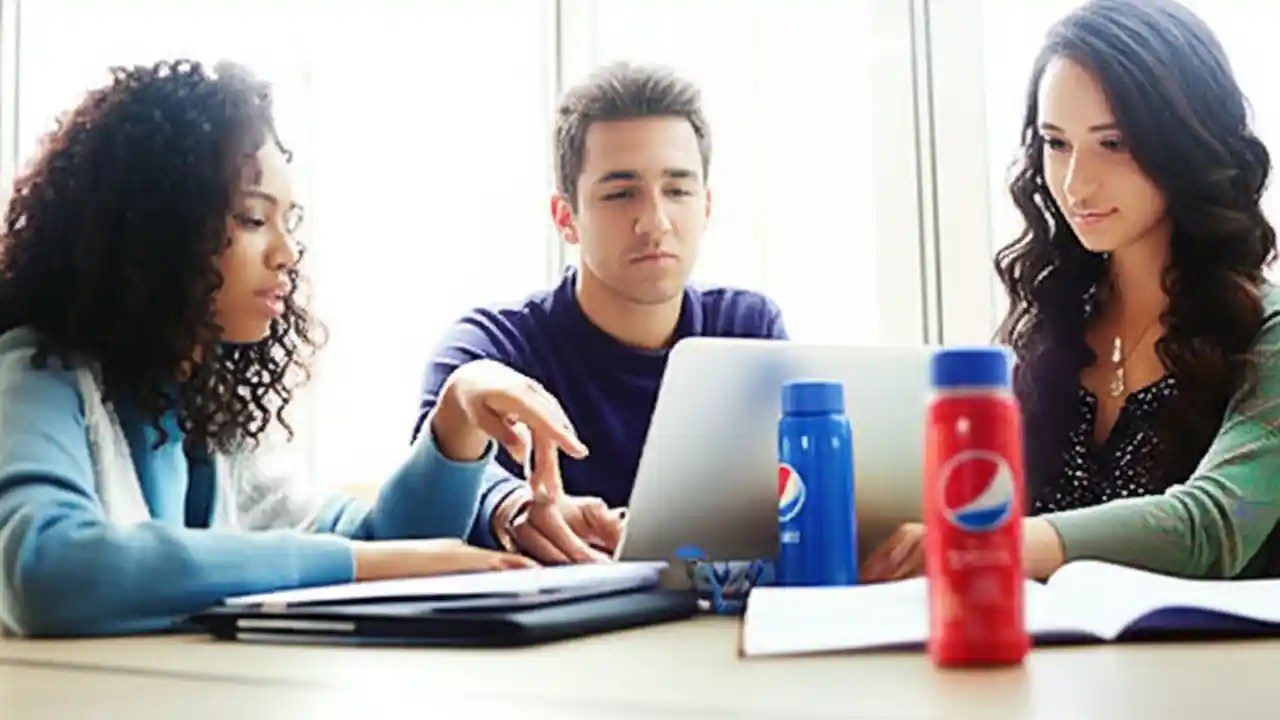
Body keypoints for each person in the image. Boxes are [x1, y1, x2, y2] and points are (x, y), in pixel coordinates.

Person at [0, 59, 587, 638]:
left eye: (290, 221)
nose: (287, 253)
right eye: (253, 219)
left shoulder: (206, 411)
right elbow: (46, 570)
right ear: (153, 227)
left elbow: (384, 545)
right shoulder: (34, 376)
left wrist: (457, 420)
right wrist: (358, 566)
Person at [863, 0, 1280, 582]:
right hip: (1041, 643)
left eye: (1113, 143)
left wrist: (981, 543)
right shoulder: (1053, 329)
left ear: (1188, 142)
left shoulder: (1267, 333)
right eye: (1056, 144)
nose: (1076, 183)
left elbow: (1213, 526)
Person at [411, 62, 788, 565]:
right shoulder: (491, 349)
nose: (655, 222)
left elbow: (798, 487)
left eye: (678, 190)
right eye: (620, 194)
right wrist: (512, 506)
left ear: (707, 205)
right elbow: (431, 496)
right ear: (566, 218)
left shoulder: (748, 332)